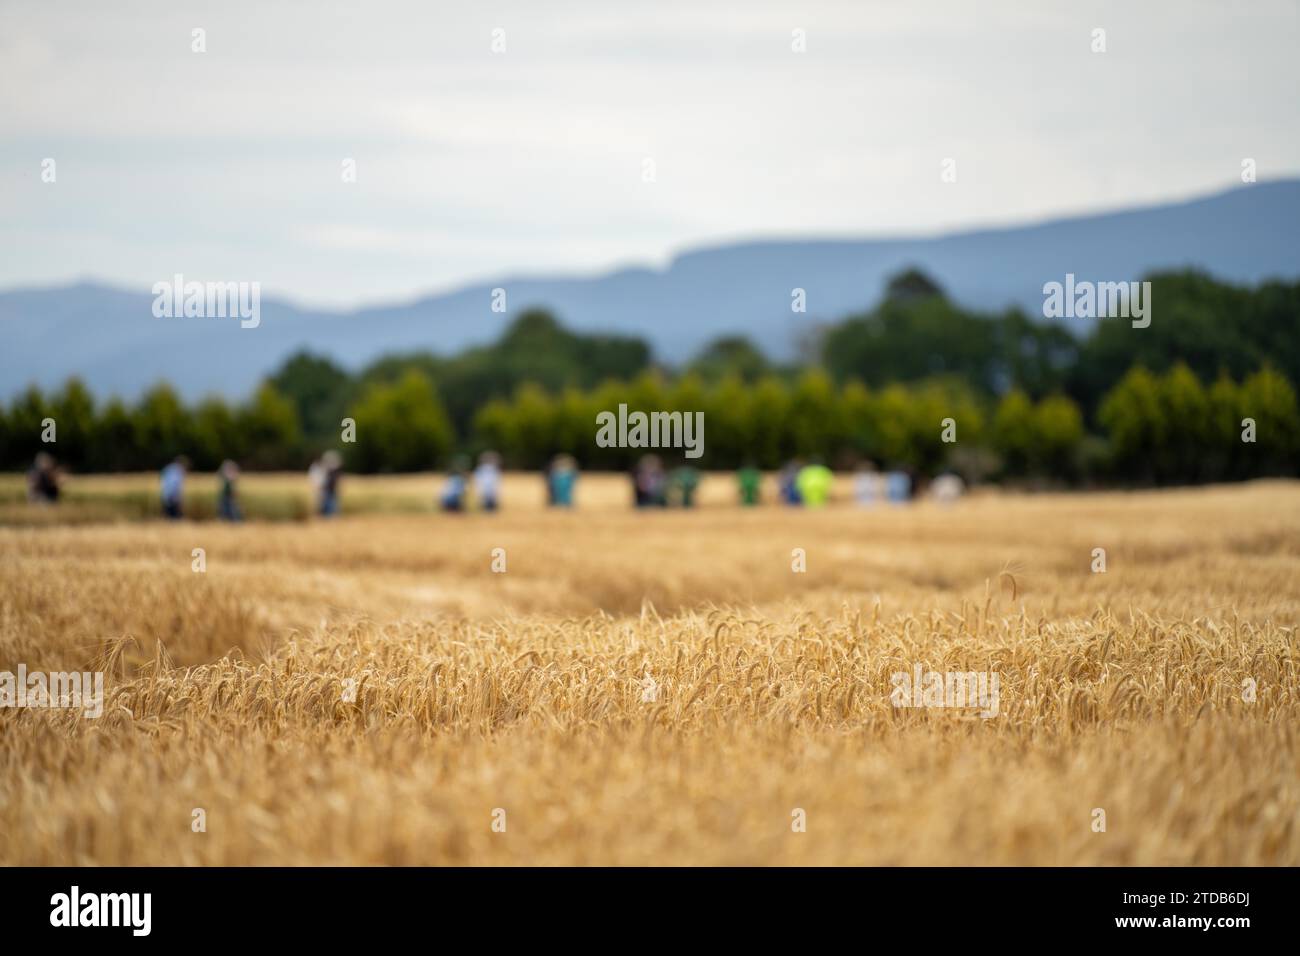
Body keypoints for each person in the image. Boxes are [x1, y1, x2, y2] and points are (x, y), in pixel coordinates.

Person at [318, 450, 343, 516]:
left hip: (331, 491)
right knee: (328, 507)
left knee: (332, 507)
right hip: (328, 492)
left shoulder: (331, 472)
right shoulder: (327, 472)